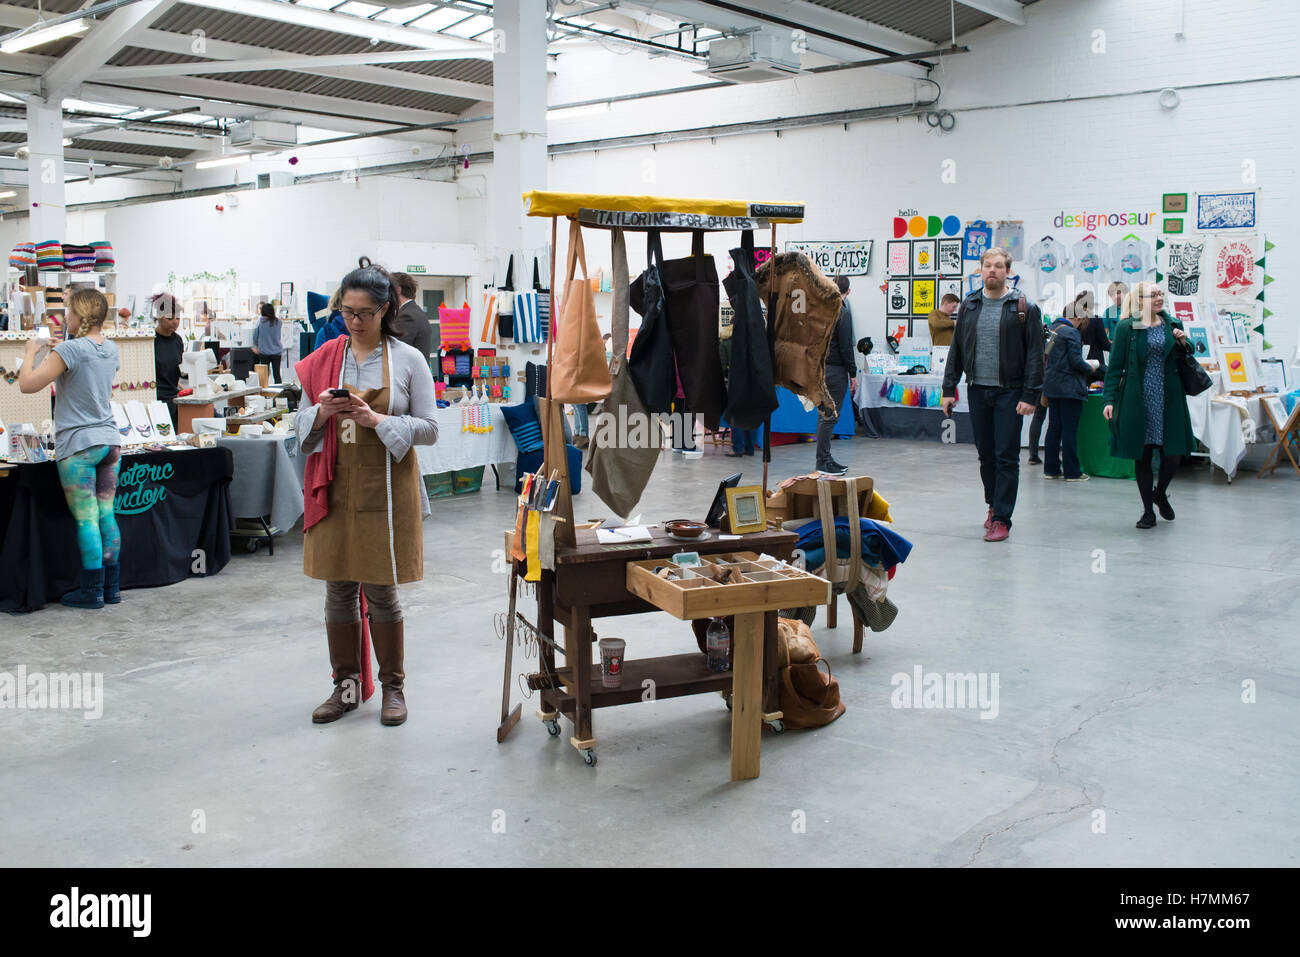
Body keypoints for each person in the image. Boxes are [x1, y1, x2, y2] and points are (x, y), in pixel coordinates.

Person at [294, 257, 439, 726]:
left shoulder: (409, 360)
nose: (353, 323)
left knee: (381, 590)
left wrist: (376, 419)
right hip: (336, 482)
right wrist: (323, 413)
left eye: (364, 314)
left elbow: (432, 429)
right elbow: (298, 425)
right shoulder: (325, 359)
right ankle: (346, 687)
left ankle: (393, 689)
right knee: (338, 589)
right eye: (346, 313)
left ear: (385, 311)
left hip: (387, 486)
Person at [18, 289, 123, 609]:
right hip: (110, 441)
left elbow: (27, 384)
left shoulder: (70, 349)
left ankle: (90, 592)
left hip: (79, 446)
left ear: (81, 314)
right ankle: (112, 588)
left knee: (87, 519)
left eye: (69, 312)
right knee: (107, 514)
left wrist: (30, 351)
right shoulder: (111, 348)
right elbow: (85, 371)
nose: (66, 318)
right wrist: (58, 352)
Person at [941, 248, 1045, 543]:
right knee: (986, 455)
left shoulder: (1024, 307)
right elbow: (957, 350)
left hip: (1011, 392)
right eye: (988, 266)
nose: (992, 271)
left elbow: (1036, 355)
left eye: (999, 266)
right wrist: (949, 388)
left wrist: (1030, 394)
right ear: (981, 270)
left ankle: (1002, 518)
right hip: (978, 390)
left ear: (1008, 271)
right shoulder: (970, 305)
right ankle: (992, 504)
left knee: (1006, 456)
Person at [1102, 281, 1195, 530]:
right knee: (1142, 455)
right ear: (1140, 301)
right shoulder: (1127, 327)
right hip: (1137, 398)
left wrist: (1183, 341)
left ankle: (1160, 493)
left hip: (1170, 398)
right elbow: (1115, 367)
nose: (1158, 298)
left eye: (1160, 294)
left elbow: (1190, 352)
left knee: (1174, 454)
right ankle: (1147, 512)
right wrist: (1109, 399)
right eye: (1152, 295)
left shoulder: (1172, 324)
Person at [1041, 303, 1100, 481]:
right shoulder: (1072, 333)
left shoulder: (1052, 329)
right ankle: (1072, 472)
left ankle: (1051, 469)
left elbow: (1046, 357)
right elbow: (1076, 361)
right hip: (1069, 387)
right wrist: (1091, 367)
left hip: (1052, 386)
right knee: (1069, 431)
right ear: (1077, 318)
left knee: (1054, 428)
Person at [816, 275, 857, 475]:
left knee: (825, 416)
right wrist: (853, 373)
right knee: (830, 417)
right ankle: (822, 461)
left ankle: (825, 457)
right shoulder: (842, 312)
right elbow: (846, 347)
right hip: (835, 370)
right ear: (847, 292)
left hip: (821, 368)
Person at [152, 293, 184, 430]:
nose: (175, 321)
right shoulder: (151, 341)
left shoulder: (178, 340)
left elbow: (175, 369)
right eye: (170, 318)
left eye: (178, 317)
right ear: (159, 316)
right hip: (157, 401)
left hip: (175, 400)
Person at [391, 272, 433, 360]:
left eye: (388, 290)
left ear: (398, 290)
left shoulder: (407, 316)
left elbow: (395, 353)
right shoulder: (416, 311)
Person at [251, 302, 283, 383]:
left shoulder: (260, 321)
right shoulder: (279, 322)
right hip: (277, 352)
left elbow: (255, 336)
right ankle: (279, 392)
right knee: (277, 374)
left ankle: (265, 392)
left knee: (264, 375)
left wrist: (256, 346)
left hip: (264, 352)